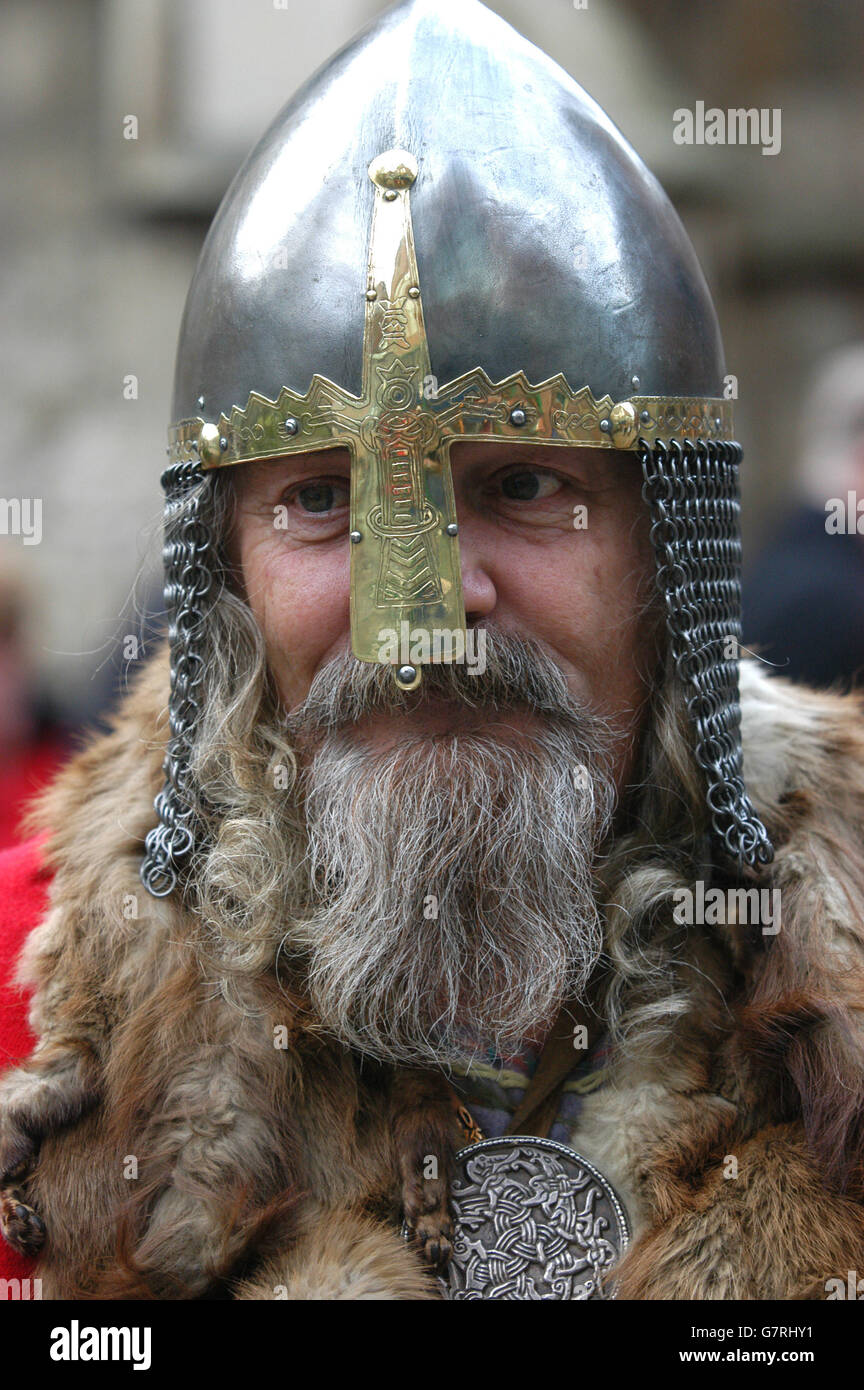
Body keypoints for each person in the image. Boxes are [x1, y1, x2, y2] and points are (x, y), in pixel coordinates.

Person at [0, 0, 862, 1301]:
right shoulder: (27, 1000)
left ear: (663, 550)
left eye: (521, 483)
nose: (423, 609)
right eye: (322, 502)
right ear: (225, 561)